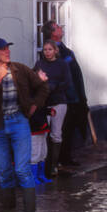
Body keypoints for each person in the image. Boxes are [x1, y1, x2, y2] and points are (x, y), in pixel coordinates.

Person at [0, 37, 48, 212]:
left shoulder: (20, 69)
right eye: (3, 49)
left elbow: (42, 87)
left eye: (8, 48)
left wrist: (34, 105)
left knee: (22, 170)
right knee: (4, 171)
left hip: (19, 122)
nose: (7, 52)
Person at [49, 22, 88, 169]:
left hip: (74, 95)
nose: (61, 27)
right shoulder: (52, 50)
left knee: (69, 128)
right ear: (53, 33)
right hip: (64, 96)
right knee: (61, 129)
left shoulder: (65, 49)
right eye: (57, 26)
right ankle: (57, 160)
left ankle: (66, 157)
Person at [34, 39, 70, 178]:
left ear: (55, 50)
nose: (47, 52)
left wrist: (54, 86)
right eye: (45, 50)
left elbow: (67, 82)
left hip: (58, 101)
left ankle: (54, 165)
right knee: (43, 132)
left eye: (50, 49)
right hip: (43, 102)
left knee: (56, 133)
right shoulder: (39, 64)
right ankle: (43, 164)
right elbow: (33, 78)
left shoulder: (62, 64)